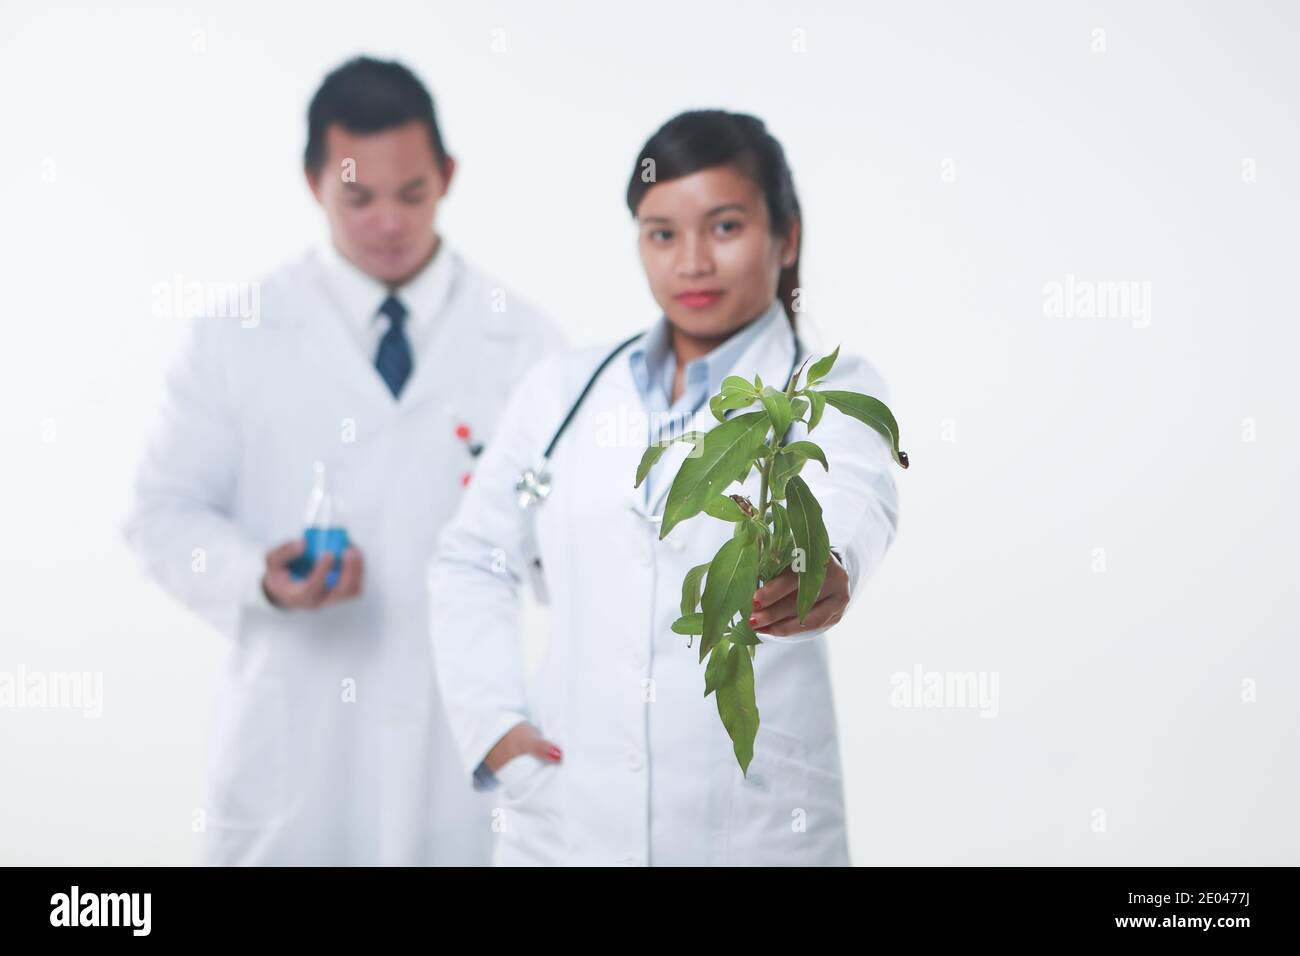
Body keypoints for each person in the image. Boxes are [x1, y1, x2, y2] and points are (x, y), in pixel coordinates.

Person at [123, 56, 564, 865]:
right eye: (358, 197)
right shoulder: (236, 336)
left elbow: (568, 544)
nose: (389, 223)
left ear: (450, 176)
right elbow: (159, 515)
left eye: (413, 194)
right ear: (312, 182)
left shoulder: (526, 343)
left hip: (459, 748)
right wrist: (259, 574)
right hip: (296, 757)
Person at [429, 110, 900, 866]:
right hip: (565, 820)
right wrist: (493, 729)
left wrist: (827, 567)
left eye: (724, 227)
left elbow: (857, 493)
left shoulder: (826, 392)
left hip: (753, 831)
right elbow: (472, 559)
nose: (692, 263)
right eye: (661, 234)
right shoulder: (562, 390)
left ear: (787, 235)